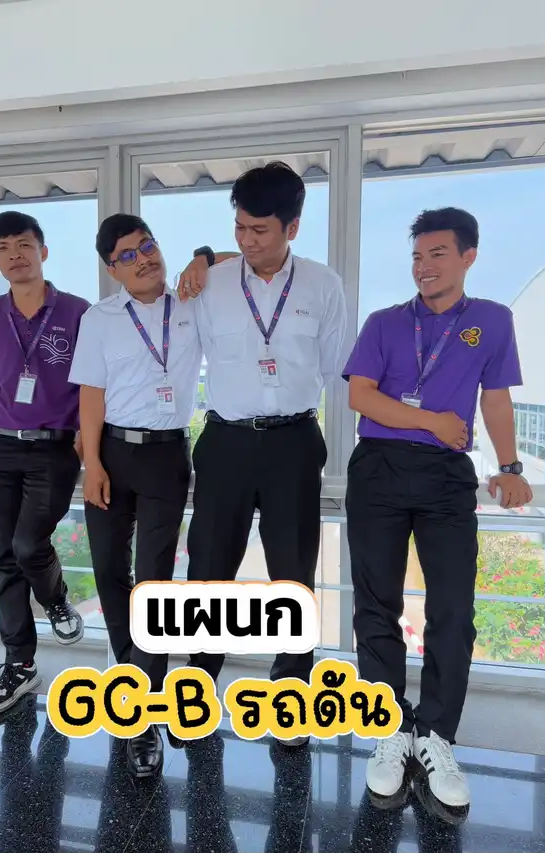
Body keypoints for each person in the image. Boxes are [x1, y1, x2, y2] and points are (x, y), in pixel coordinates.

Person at [343, 207, 533, 811]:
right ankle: (389, 730)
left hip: (448, 476)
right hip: (378, 467)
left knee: (453, 607)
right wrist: (432, 420)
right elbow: (360, 397)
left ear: (468, 256)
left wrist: (510, 467)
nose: (424, 267)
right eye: (418, 257)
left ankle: (435, 736)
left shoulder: (492, 321)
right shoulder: (384, 322)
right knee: (376, 604)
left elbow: (496, 398)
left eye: (438, 254)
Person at [179, 161, 347, 745]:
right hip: (224, 441)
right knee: (208, 569)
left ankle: (290, 694)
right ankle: (198, 687)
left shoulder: (323, 285)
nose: (247, 241)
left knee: (292, 573)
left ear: (292, 228)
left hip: (294, 443)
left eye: (260, 230)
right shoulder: (211, 283)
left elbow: (339, 372)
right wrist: (203, 255)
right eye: (239, 228)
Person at [68, 213, 234, 777]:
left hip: (167, 455)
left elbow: (247, 263)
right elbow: (90, 396)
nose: (143, 259)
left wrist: (203, 256)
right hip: (113, 452)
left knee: (154, 580)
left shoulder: (191, 300)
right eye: (127, 255)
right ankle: (133, 678)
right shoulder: (99, 319)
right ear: (111, 269)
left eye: (147, 246)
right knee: (110, 571)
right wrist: (92, 464)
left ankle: (142, 711)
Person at [0, 211, 88, 717]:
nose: (14, 254)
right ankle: (19, 664)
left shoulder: (78, 312)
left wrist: (82, 446)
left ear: (43, 251)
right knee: (5, 557)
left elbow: (91, 389)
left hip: (53, 449)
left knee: (27, 544)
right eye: (2, 248)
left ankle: (56, 599)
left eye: (23, 244)